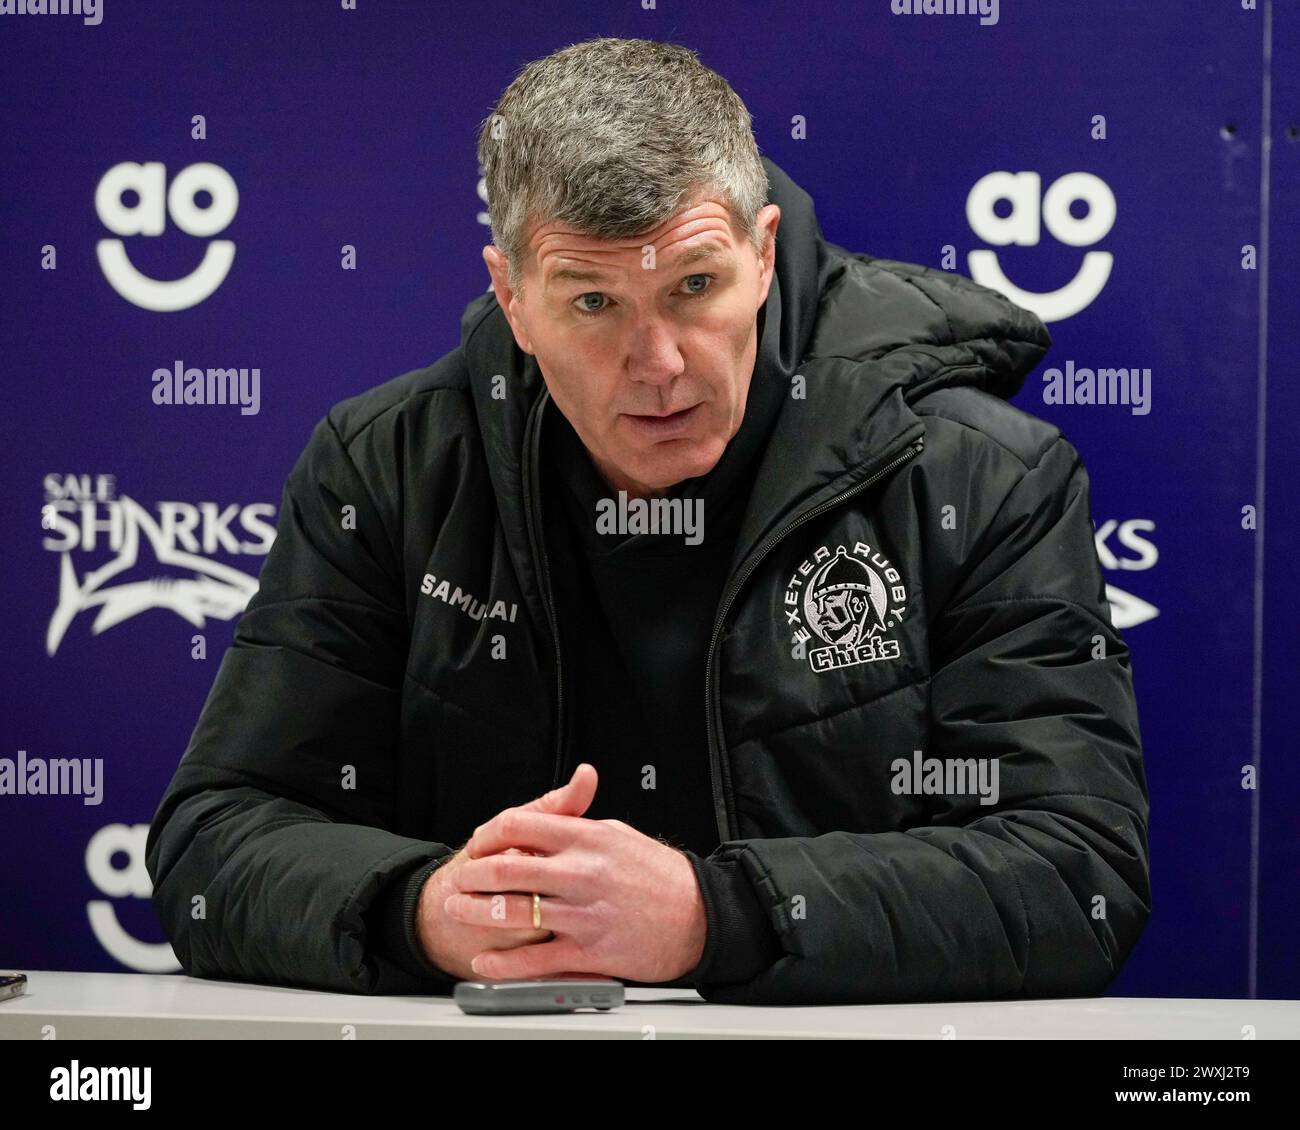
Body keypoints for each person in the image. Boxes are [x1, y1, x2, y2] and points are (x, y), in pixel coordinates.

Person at [145, 36, 1150, 1006]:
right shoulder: (386, 468)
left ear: (760, 256)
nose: (659, 361)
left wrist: (714, 914)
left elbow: (1076, 871)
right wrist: (421, 908)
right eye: (593, 302)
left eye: (694, 287)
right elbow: (217, 834)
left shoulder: (979, 475)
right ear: (512, 296)